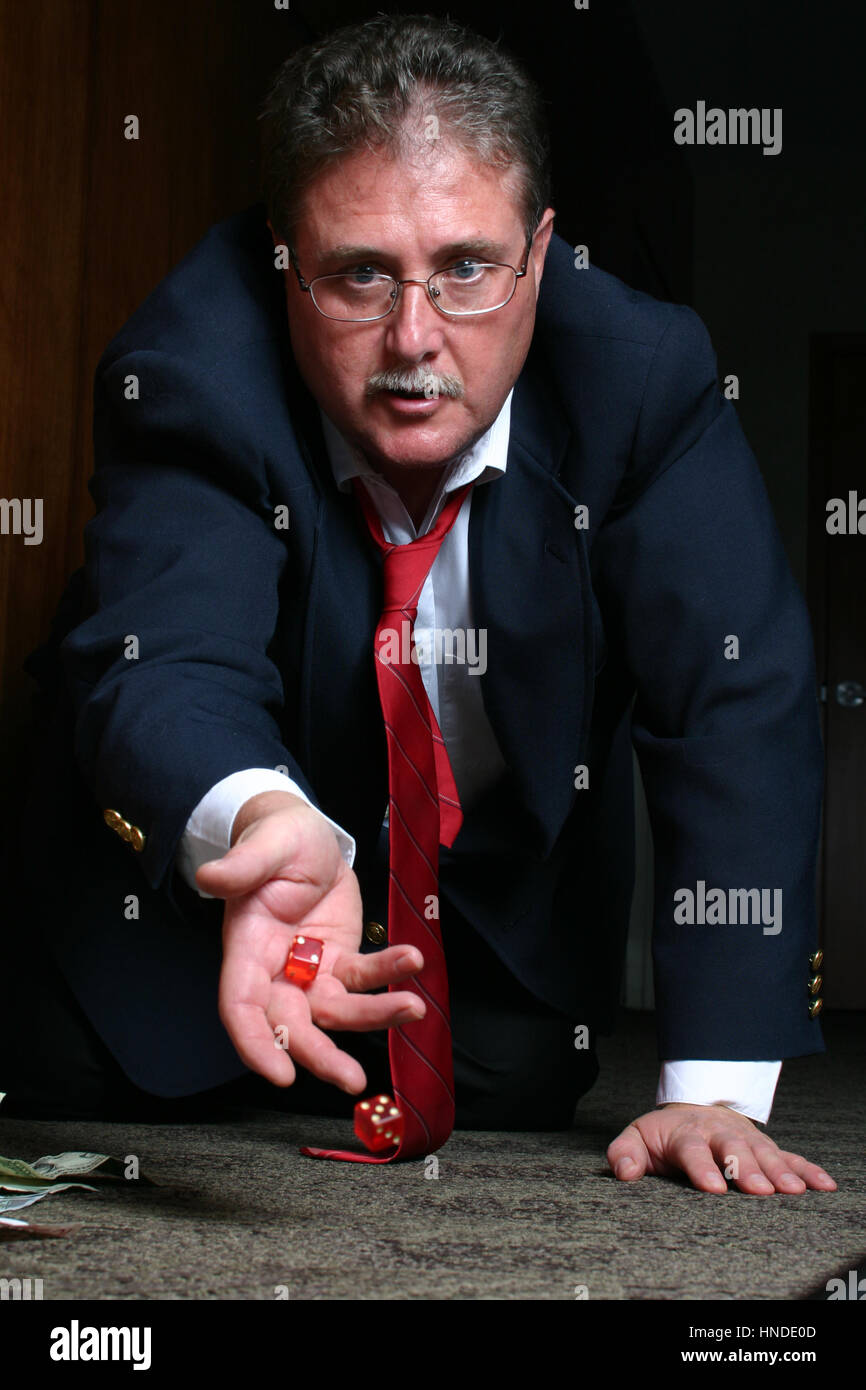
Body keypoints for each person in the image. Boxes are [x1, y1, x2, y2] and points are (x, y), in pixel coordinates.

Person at [4, 14, 836, 1193]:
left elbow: (732, 694)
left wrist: (711, 1087)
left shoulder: (641, 378)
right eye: (357, 274)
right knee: (73, 1059)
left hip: (480, 923)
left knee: (514, 1077)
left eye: (464, 268)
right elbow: (169, 650)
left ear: (539, 257)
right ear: (285, 261)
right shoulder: (195, 363)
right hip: (199, 904)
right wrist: (258, 819)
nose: (414, 340)